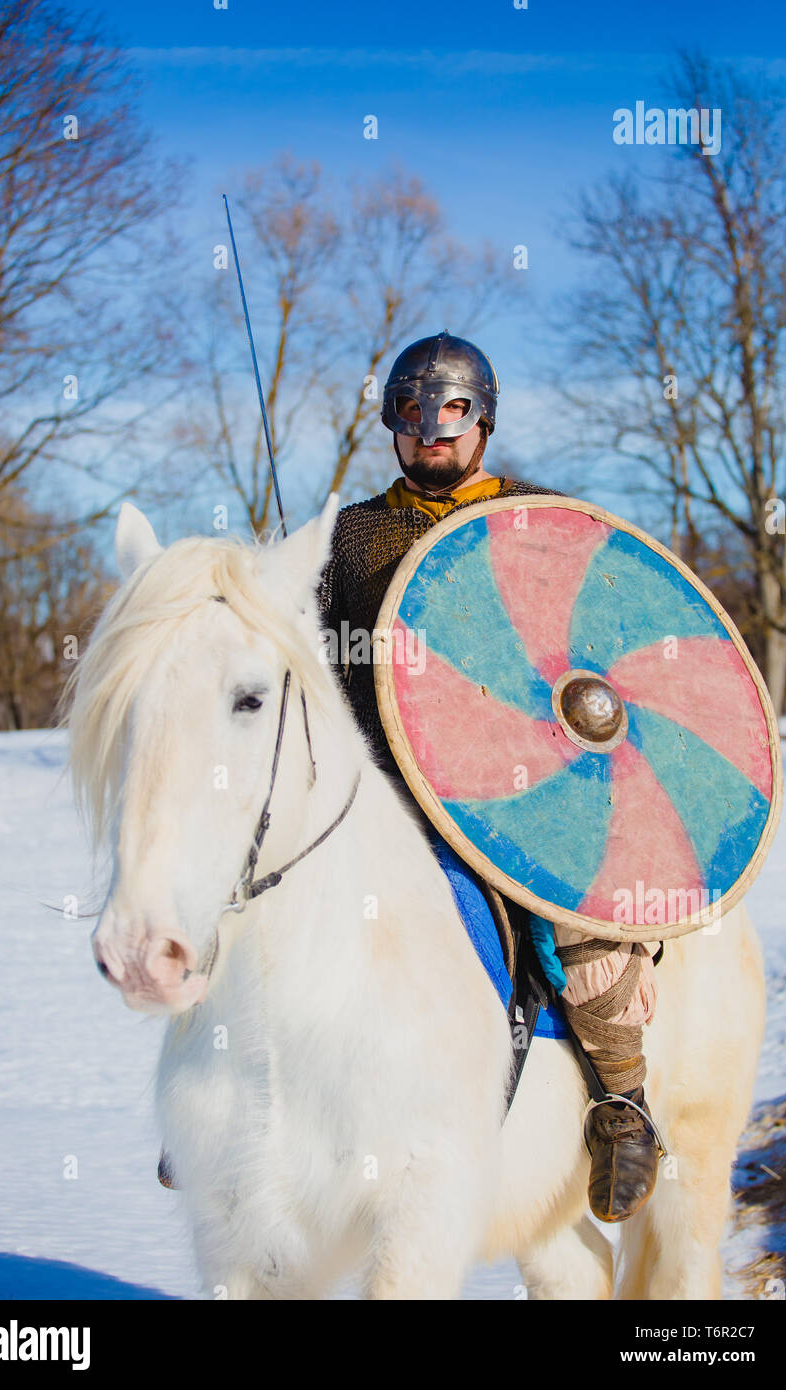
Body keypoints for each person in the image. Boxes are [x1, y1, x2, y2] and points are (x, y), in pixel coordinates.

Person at [316, 331, 663, 1222]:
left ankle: (622, 1104)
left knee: (578, 925)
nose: (430, 429)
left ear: (484, 419)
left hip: (526, 784)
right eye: (411, 410)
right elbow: (311, 663)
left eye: (451, 411)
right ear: (391, 420)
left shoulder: (540, 518)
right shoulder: (350, 537)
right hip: (387, 786)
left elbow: (604, 647)